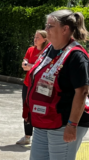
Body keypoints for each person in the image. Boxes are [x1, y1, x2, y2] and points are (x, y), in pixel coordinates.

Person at [23, 9, 89, 160]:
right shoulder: (49, 49)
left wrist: (72, 125)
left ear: (65, 29)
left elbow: (82, 92)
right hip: (44, 120)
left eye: (50, 26)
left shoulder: (76, 56)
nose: (46, 30)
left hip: (64, 122)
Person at [17, 30, 49, 145]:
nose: (35, 39)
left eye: (38, 37)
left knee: (40, 110)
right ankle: (27, 136)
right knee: (27, 109)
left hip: (41, 86)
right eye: (35, 37)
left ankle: (41, 137)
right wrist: (33, 66)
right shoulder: (30, 50)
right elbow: (24, 66)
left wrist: (31, 66)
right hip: (27, 84)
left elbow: (42, 68)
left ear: (45, 39)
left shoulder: (47, 51)